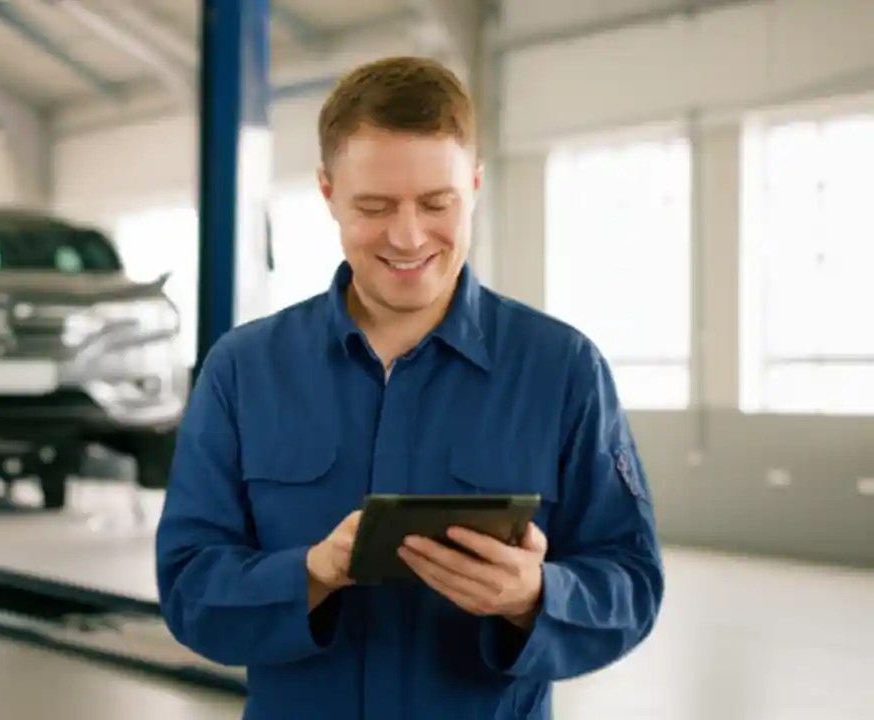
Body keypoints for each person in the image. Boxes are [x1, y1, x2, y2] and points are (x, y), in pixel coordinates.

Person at [154, 55, 664, 720]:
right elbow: (190, 588)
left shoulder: (561, 369)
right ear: (327, 192)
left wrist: (535, 594)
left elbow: (631, 584)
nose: (407, 235)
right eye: (374, 206)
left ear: (475, 186)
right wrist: (312, 572)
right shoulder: (243, 371)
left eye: (436, 203)